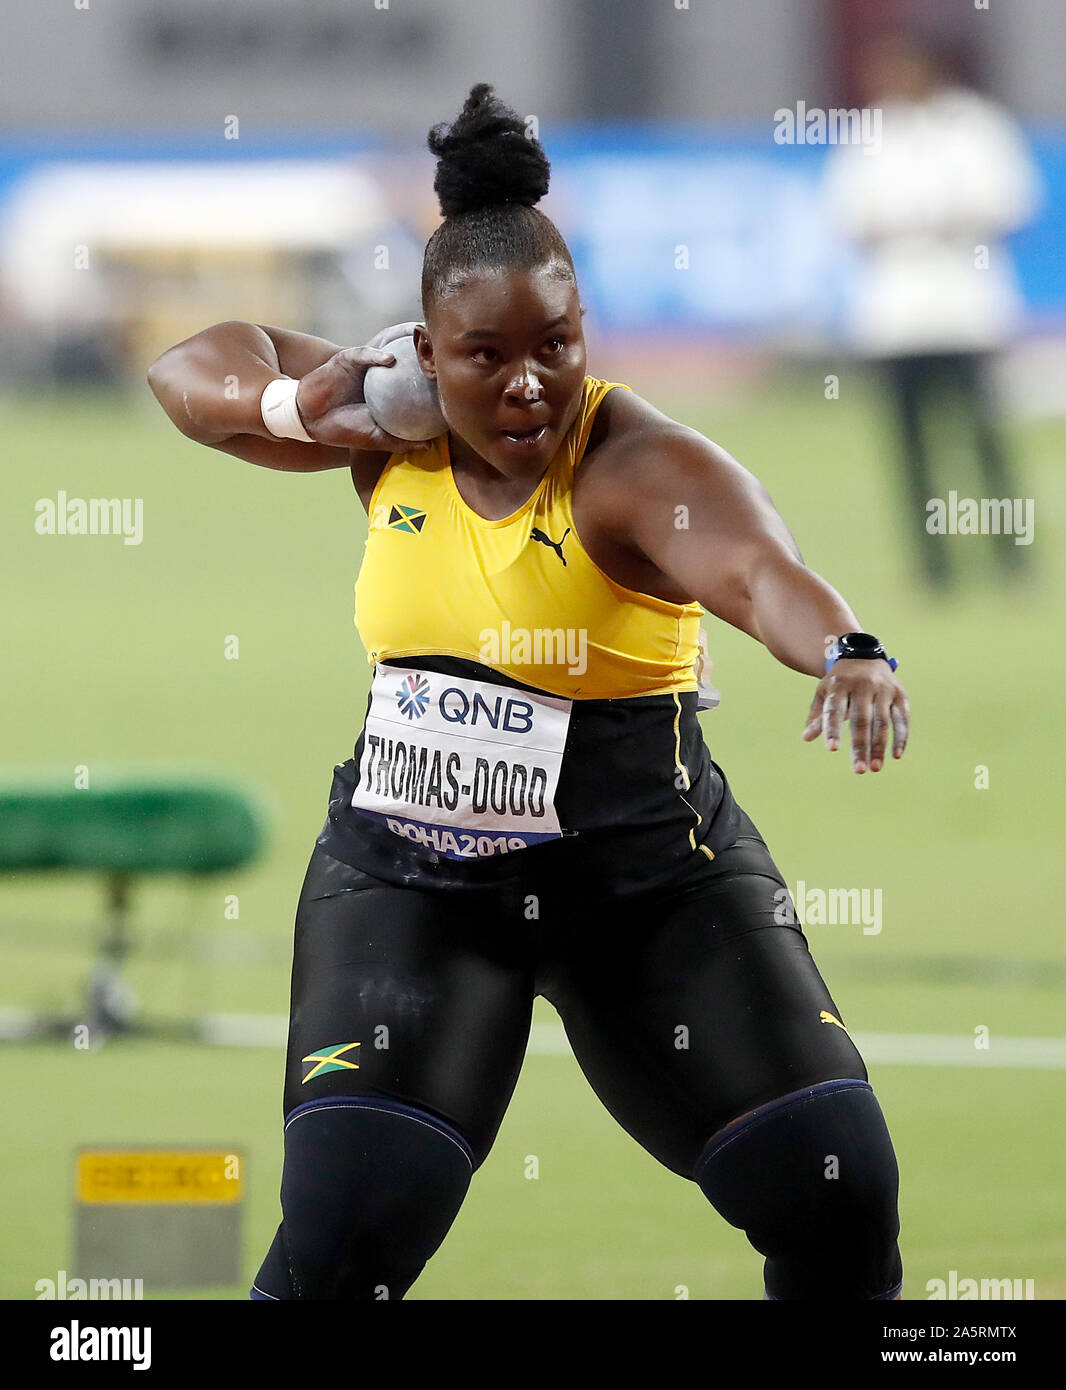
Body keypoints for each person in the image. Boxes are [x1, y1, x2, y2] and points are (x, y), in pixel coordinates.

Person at [147, 83, 910, 1301]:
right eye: (483, 358)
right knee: (344, 1237)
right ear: (423, 354)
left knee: (836, 1196)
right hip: (413, 881)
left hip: (647, 885)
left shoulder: (635, 465)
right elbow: (190, 371)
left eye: (554, 346)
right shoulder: (388, 434)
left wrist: (850, 649)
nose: (524, 389)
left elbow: (761, 574)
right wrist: (308, 401)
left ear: (586, 328)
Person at [825, 29, 1042, 590]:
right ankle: (934, 565)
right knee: (911, 447)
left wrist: (932, 218)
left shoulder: (976, 127)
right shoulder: (871, 133)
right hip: (896, 319)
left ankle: (1010, 558)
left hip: (967, 311)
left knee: (983, 440)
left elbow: (1011, 205)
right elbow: (853, 220)